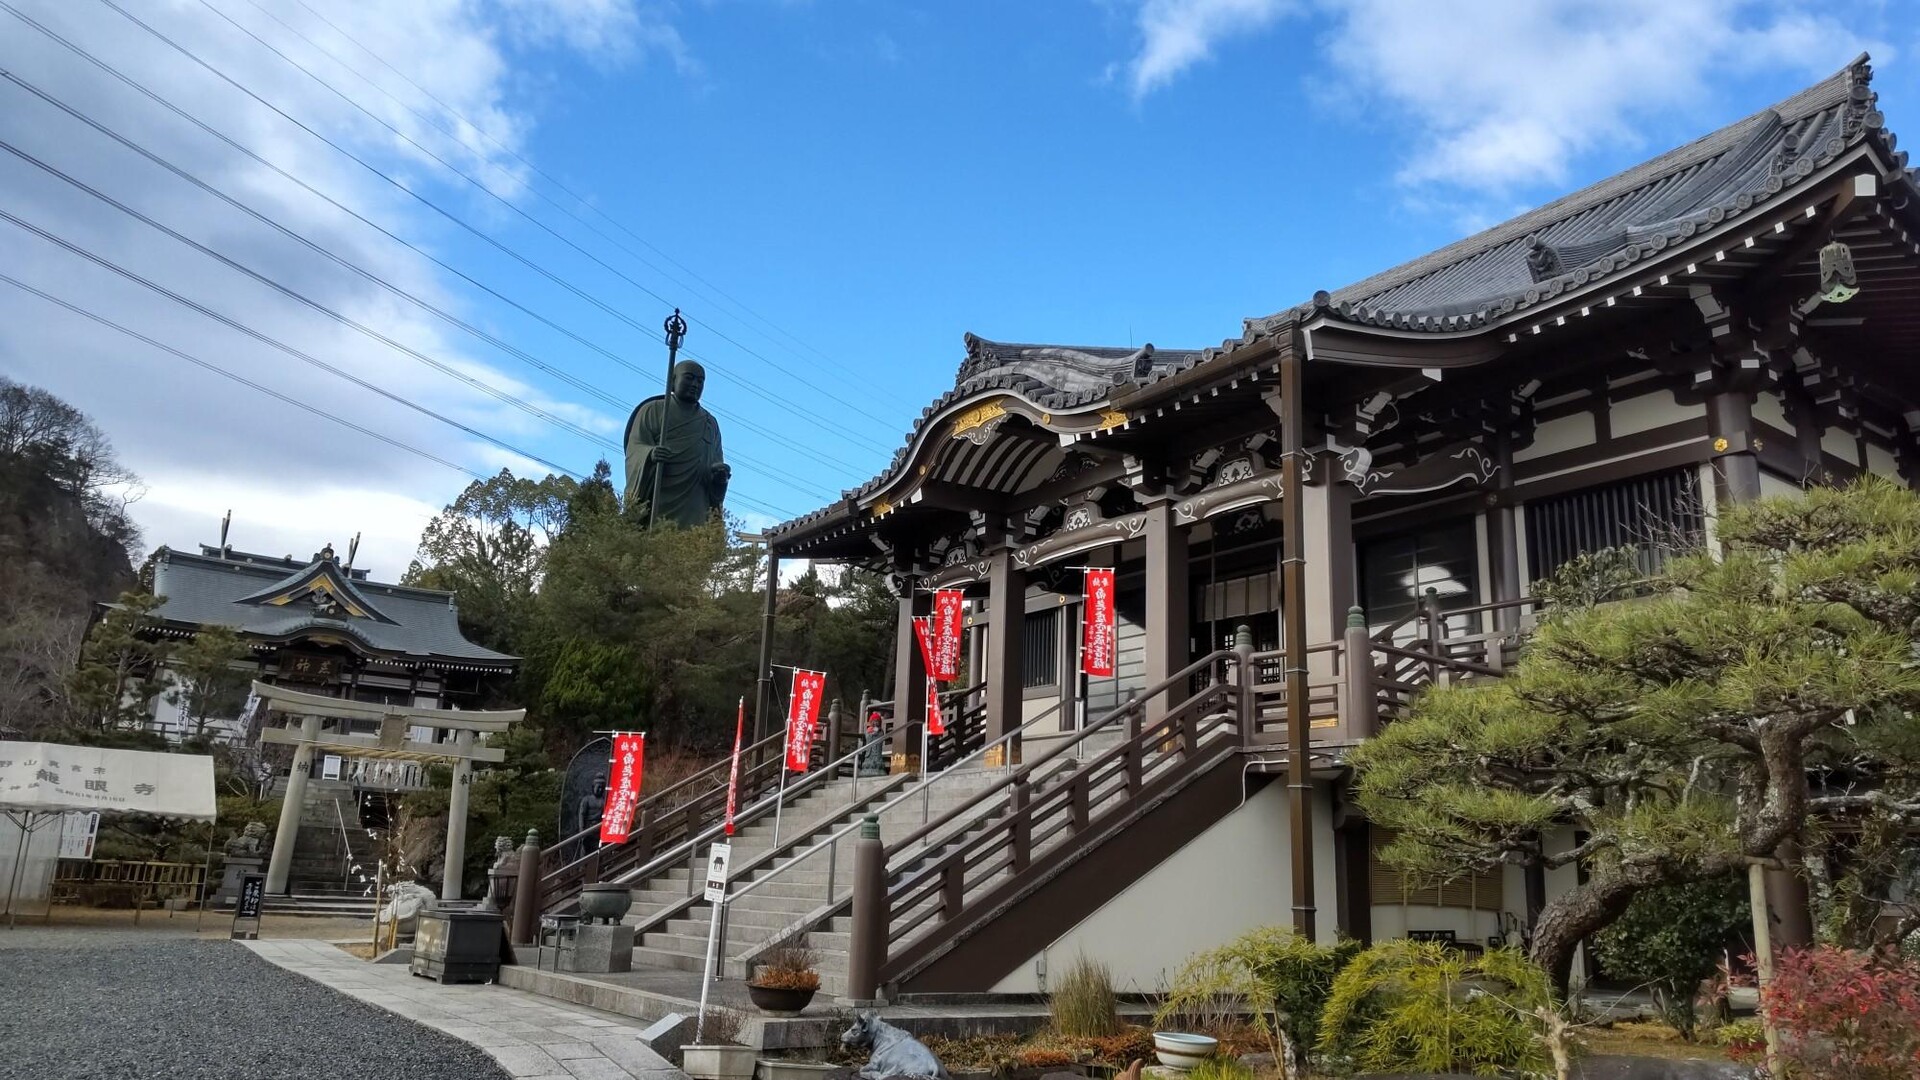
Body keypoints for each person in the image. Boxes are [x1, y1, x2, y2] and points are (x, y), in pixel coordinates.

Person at [623, 360, 730, 527]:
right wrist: (650, 454)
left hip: (695, 503)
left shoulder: (710, 423)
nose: (695, 384)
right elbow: (635, 447)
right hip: (659, 496)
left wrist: (720, 476)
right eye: (689, 378)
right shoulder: (653, 410)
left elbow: (715, 463)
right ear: (672, 381)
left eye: (700, 381)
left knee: (694, 544)